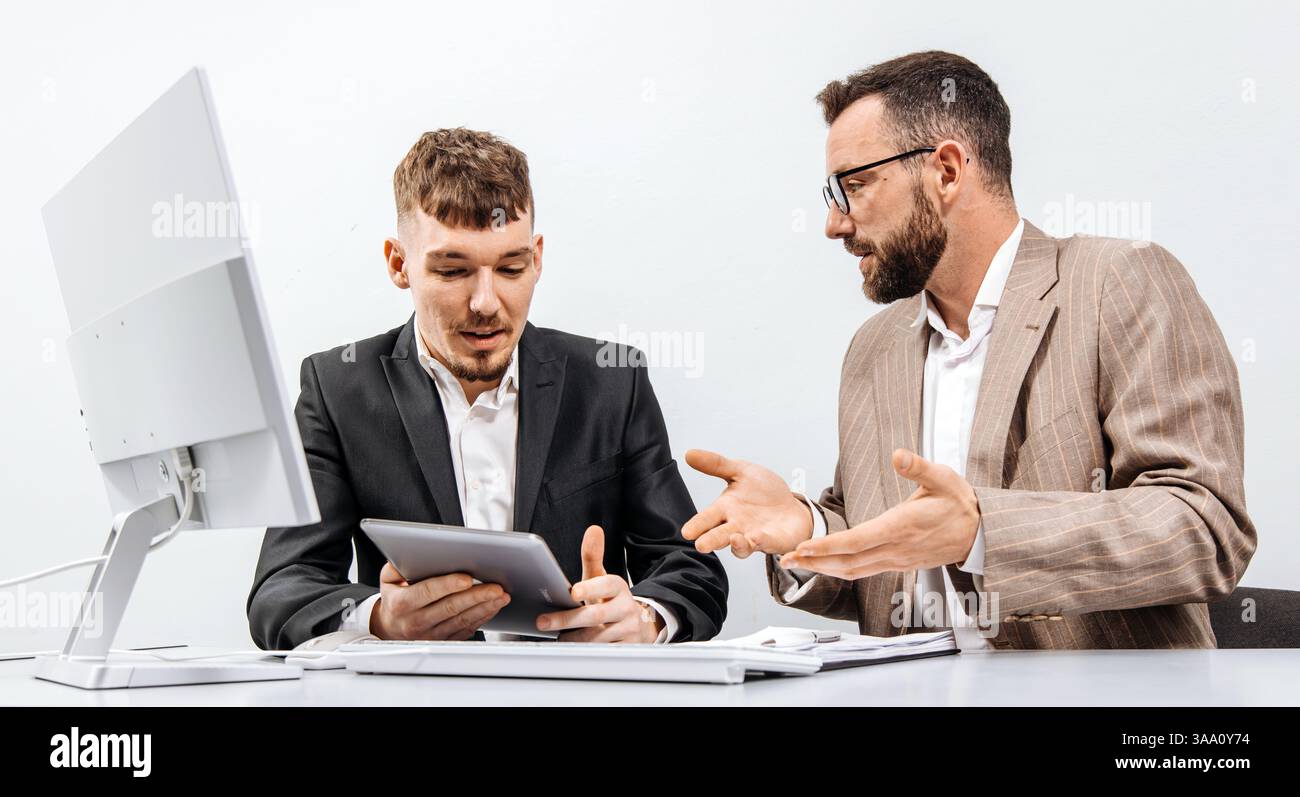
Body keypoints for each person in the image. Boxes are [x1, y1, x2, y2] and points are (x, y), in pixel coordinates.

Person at [683, 51, 1254, 649]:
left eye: (855, 185)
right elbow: (886, 567)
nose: (834, 224)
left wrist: (984, 533)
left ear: (948, 170)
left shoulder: (1118, 282)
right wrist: (806, 529)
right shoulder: (874, 348)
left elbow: (1204, 528)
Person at [249, 128, 727, 649]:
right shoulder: (338, 388)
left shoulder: (612, 381)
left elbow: (692, 572)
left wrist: (644, 617)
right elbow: (281, 591)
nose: (485, 302)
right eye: (453, 270)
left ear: (537, 258)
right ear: (398, 263)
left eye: (510, 267)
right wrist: (379, 621)